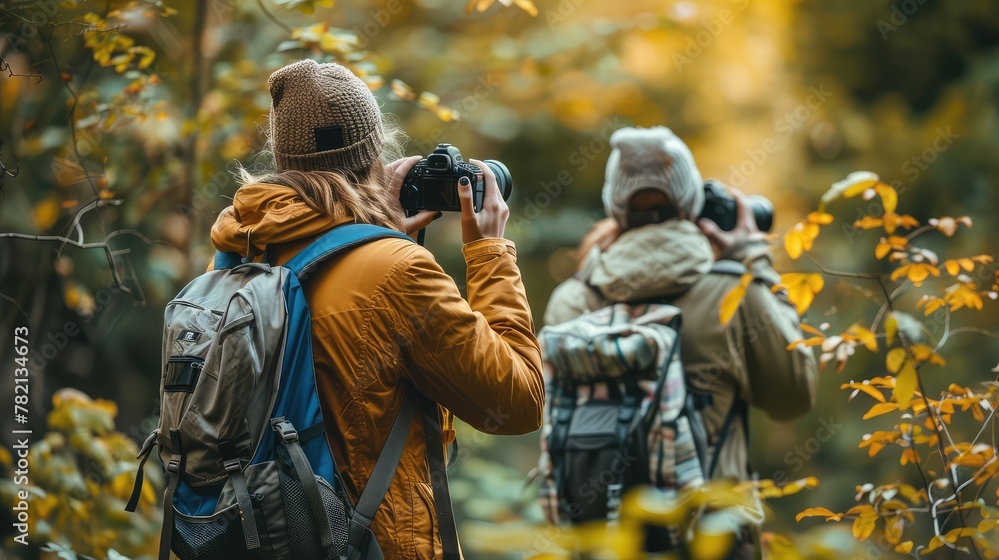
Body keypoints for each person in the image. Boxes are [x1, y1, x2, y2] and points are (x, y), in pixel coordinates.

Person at [209, 59, 544, 559]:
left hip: (260, 538)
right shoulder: (397, 272)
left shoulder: (238, 253)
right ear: (373, 154)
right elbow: (518, 402)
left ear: (283, 161)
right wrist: (489, 251)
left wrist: (372, 231)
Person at [544, 126, 818, 558]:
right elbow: (793, 397)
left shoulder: (573, 300)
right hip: (713, 541)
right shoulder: (733, 291)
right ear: (689, 203)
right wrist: (755, 261)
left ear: (616, 206)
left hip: (604, 545)